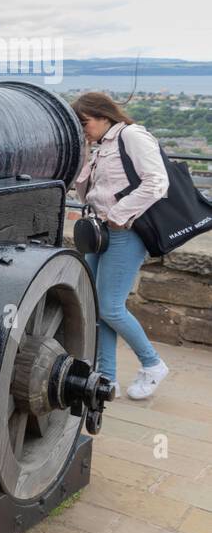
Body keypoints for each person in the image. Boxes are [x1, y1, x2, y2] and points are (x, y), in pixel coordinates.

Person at [72, 92, 170, 400]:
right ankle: (106, 379)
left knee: (111, 307)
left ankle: (153, 364)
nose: (83, 129)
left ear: (103, 116)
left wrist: (117, 214)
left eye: (84, 122)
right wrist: (86, 153)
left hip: (126, 231)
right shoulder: (101, 146)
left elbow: (157, 181)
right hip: (101, 231)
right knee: (97, 305)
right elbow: (84, 194)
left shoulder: (132, 135)